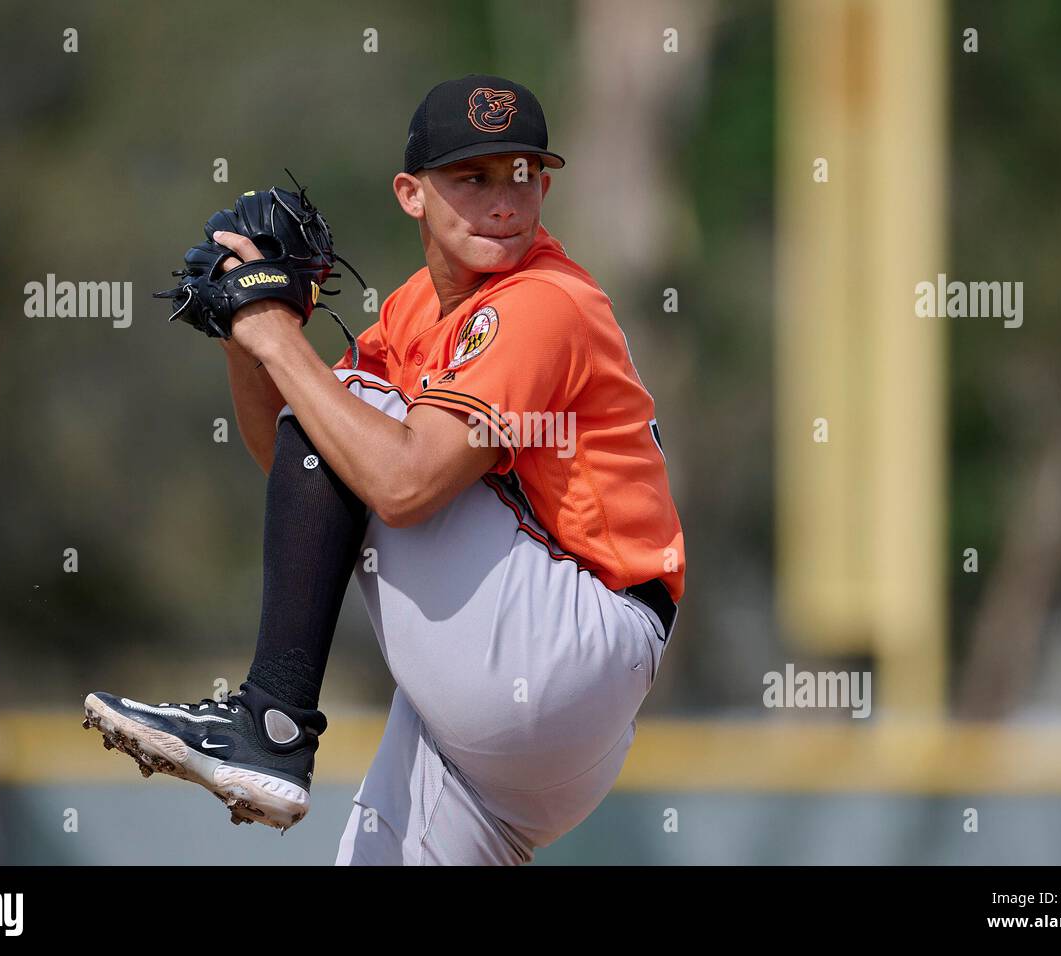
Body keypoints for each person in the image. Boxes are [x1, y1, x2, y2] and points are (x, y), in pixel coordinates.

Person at [84, 73, 685, 865]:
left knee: (350, 406)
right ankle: (269, 731)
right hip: (531, 734)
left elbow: (401, 486)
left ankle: (273, 723)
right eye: (473, 177)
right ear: (412, 193)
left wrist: (275, 337)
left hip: (570, 638)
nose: (504, 200)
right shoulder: (413, 309)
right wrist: (249, 332)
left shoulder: (542, 302)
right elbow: (298, 464)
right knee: (337, 415)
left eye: (523, 174)